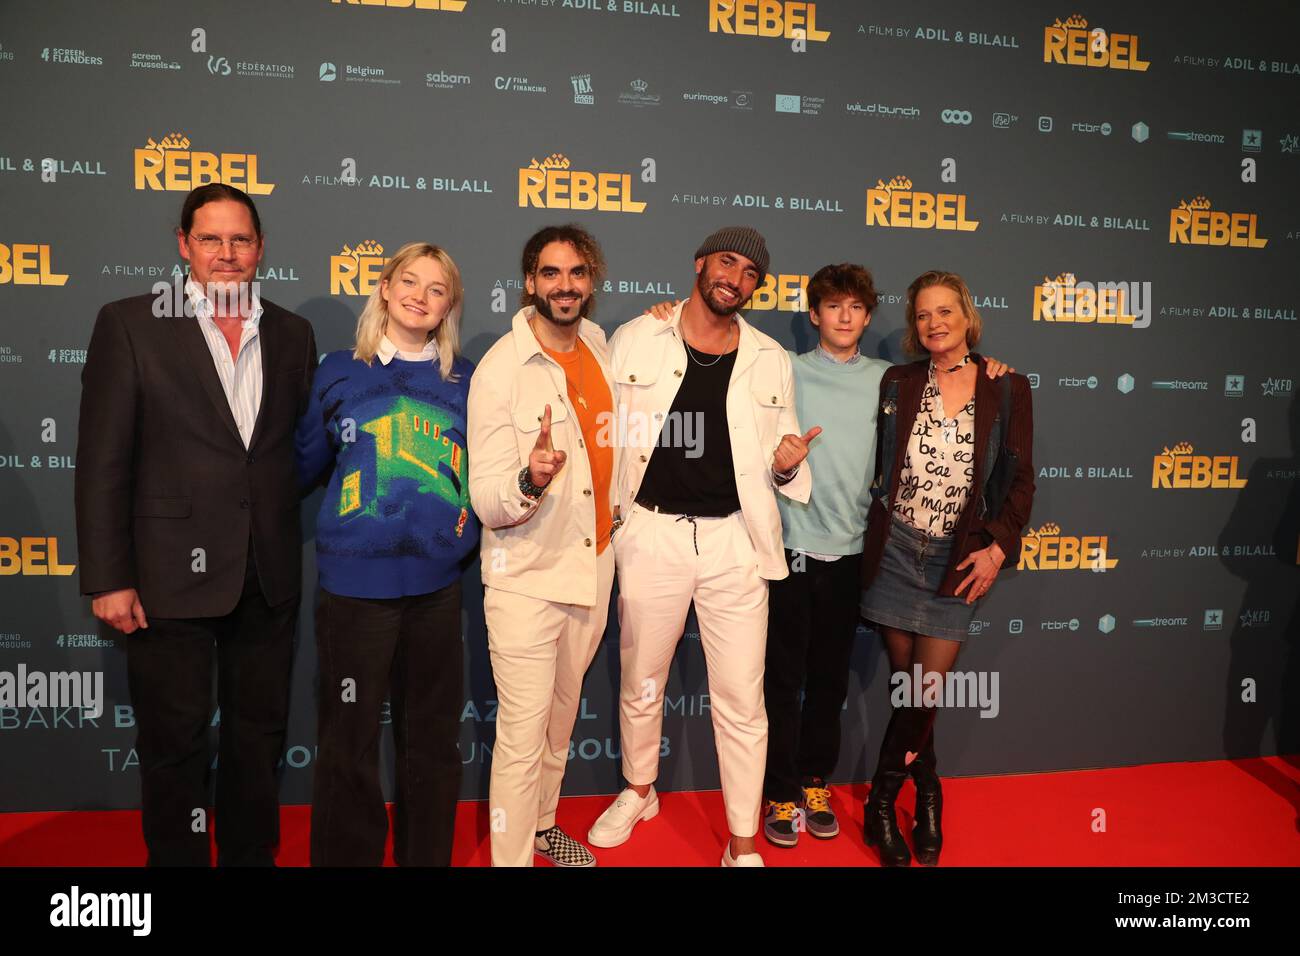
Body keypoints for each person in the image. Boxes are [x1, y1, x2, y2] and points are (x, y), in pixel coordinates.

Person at [75, 183, 317, 866]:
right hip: (163, 576)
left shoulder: (293, 333)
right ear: (184, 245)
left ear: (261, 248)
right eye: (210, 239)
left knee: (258, 737)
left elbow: (287, 454)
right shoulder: (129, 324)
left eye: (240, 239)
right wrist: (108, 577)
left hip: (265, 574)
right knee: (175, 743)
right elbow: (101, 463)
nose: (227, 254)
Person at [588, 226, 816, 868]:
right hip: (650, 533)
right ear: (700, 265)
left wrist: (789, 463)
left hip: (735, 542)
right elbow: (605, 435)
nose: (735, 278)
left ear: (755, 287)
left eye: (749, 273)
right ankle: (639, 790)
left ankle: (742, 840)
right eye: (726, 263)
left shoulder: (771, 358)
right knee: (640, 680)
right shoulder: (638, 337)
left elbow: (784, 468)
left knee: (744, 697)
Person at [296, 242, 478, 866]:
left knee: (431, 742)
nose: (419, 296)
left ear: (449, 305)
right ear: (383, 288)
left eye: (435, 288)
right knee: (347, 742)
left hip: (436, 588)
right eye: (408, 281)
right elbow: (304, 464)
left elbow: (485, 476)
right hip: (354, 593)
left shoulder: (468, 379)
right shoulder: (339, 370)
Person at [859, 269, 1035, 866]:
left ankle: (882, 801)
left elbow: (1020, 478)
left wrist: (997, 548)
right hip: (896, 550)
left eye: (946, 312)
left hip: (956, 558)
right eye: (924, 314)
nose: (935, 323)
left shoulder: (1008, 388)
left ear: (967, 319)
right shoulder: (898, 380)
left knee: (922, 690)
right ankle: (927, 790)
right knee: (908, 686)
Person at [467, 224, 618, 867]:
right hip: (526, 576)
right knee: (522, 739)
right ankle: (510, 857)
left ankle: (544, 825)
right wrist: (530, 478)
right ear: (529, 282)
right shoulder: (501, 370)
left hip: (593, 566)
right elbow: (486, 501)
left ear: (592, 281)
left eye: (577, 272)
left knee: (561, 723)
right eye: (551, 274)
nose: (565, 285)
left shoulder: (600, 342)